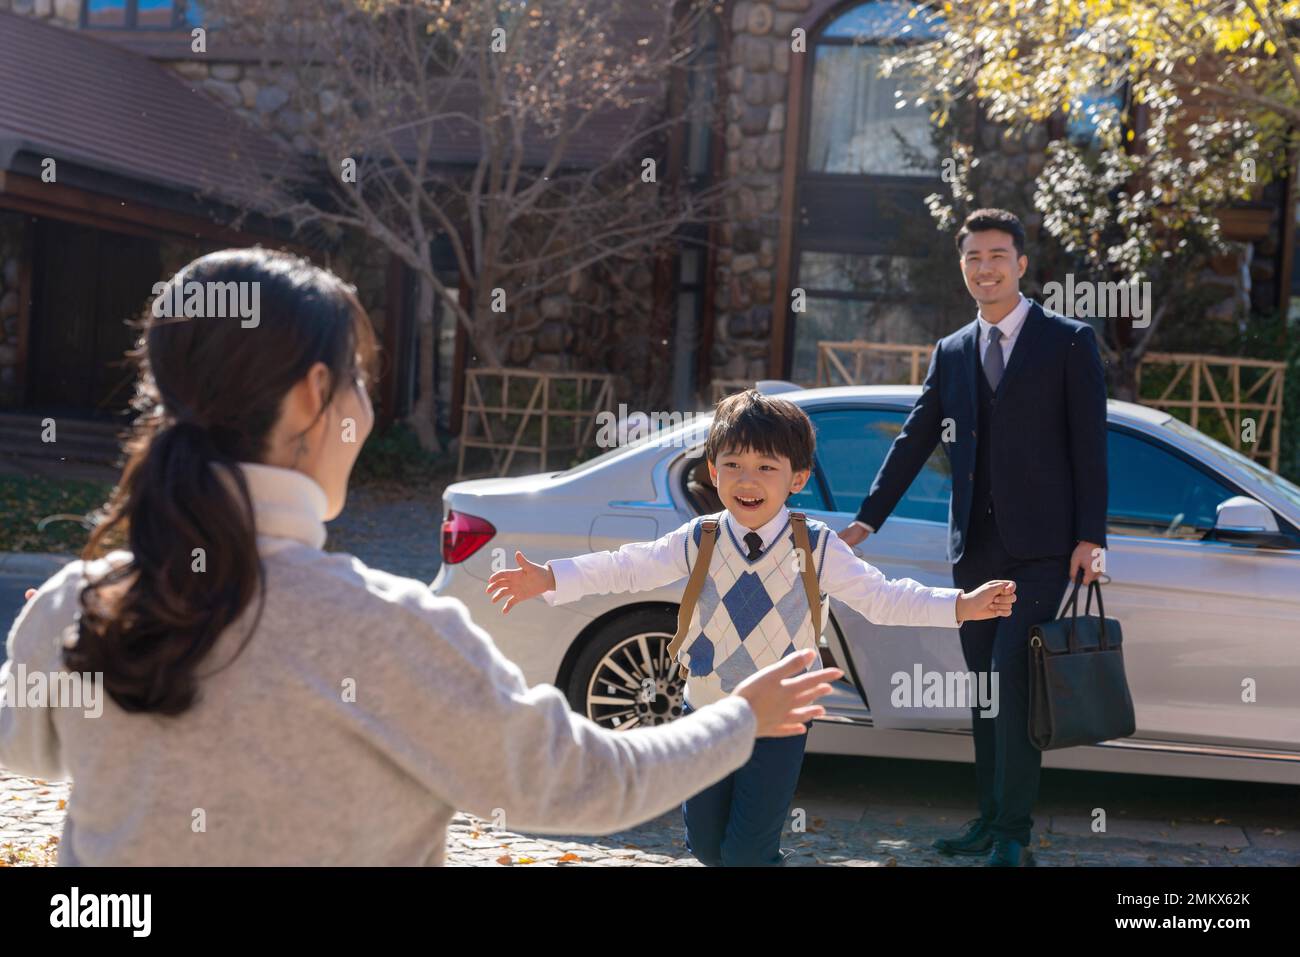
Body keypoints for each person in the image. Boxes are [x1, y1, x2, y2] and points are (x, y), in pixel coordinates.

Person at [0, 247, 842, 866]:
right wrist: (741, 717)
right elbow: (580, 784)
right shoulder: (389, 630)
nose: (366, 410)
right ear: (311, 397)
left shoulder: (83, 605)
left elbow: (27, 749)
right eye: (362, 381)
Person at [486, 389, 1017, 866]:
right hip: (706, 713)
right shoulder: (700, 539)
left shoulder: (817, 546)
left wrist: (960, 606)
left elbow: (882, 599)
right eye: (734, 464)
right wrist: (552, 577)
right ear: (713, 473)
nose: (748, 479)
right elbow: (626, 566)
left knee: (747, 850)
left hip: (780, 721)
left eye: (767, 467)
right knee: (708, 846)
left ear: (798, 478)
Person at [839, 208, 1109, 866]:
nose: (984, 268)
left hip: (1045, 552)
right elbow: (914, 439)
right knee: (986, 690)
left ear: (1021, 263)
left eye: (997, 255)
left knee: (1012, 680)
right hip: (976, 553)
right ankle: (988, 821)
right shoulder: (953, 350)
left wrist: (1090, 538)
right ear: (963, 268)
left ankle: (1014, 834)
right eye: (972, 258)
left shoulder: (1069, 341)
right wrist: (865, 520)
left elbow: (1091, 447)